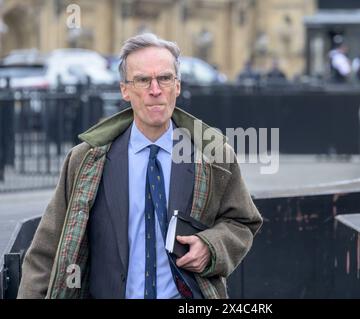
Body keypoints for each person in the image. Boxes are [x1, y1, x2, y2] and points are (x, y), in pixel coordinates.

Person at [17, 33, 263, 299]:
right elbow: (46, 252)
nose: (155, 90)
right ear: (125, 89)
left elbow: (242, 221)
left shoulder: (213, 155)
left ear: (177, 86)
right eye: (143, 80)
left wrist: (212, 247)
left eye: (165, 78)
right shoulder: (86, 160)